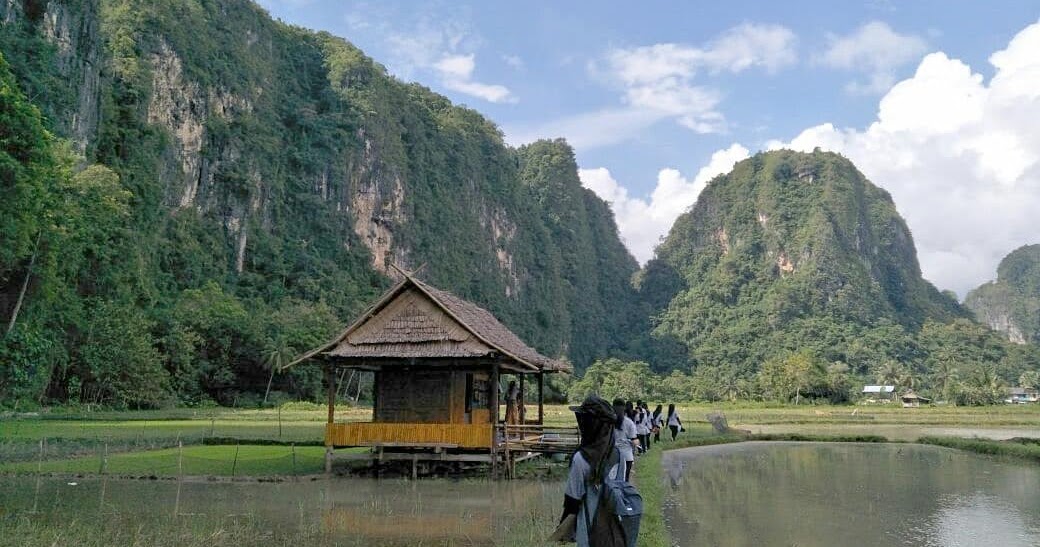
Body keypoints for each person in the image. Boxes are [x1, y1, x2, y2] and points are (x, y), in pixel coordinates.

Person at [556, 396, 628, 547]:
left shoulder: (581, 459)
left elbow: (572, 501)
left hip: (589, 531)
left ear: (589, 425)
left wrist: (562, 531)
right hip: (614, 528)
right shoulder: (618, 454)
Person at [613, 398, 639, 480]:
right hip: (626, 455)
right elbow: (634, 441)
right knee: (624, 480)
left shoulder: (609, 421)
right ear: (624, 408)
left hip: (612, 455)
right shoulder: (629, 422)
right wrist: (638, 443)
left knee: (613, 480)